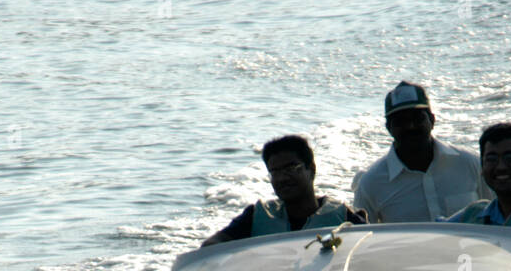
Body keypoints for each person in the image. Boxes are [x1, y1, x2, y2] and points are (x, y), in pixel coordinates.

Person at [351, 82, 490, 223]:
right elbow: (361, 238)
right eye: (401, 121)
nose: (410, 126)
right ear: (388, 128)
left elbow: (499, 218)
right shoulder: (371, 183)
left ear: (432, 120)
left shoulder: (471, 164)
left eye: (417, 118)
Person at [202, 135, 365, 247]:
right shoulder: (257, 216)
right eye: (275, 171)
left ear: (311, 170)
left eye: (291, 169)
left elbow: (373, 251)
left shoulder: (344, 218)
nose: (282, 178)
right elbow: (213, 246)